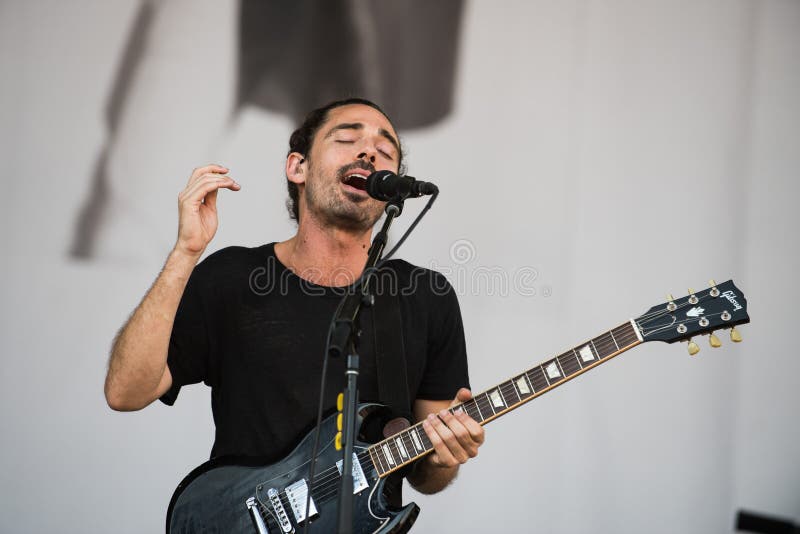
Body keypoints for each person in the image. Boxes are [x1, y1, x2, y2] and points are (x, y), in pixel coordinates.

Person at [103, 98, 484, 500]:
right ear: (297, 167)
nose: (370, 151)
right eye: (348, 138)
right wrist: (185, 252)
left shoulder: (425, 296)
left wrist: (444, 459)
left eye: (385, 150)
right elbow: (125, 392)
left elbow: (427, 478)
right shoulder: (232, 277)